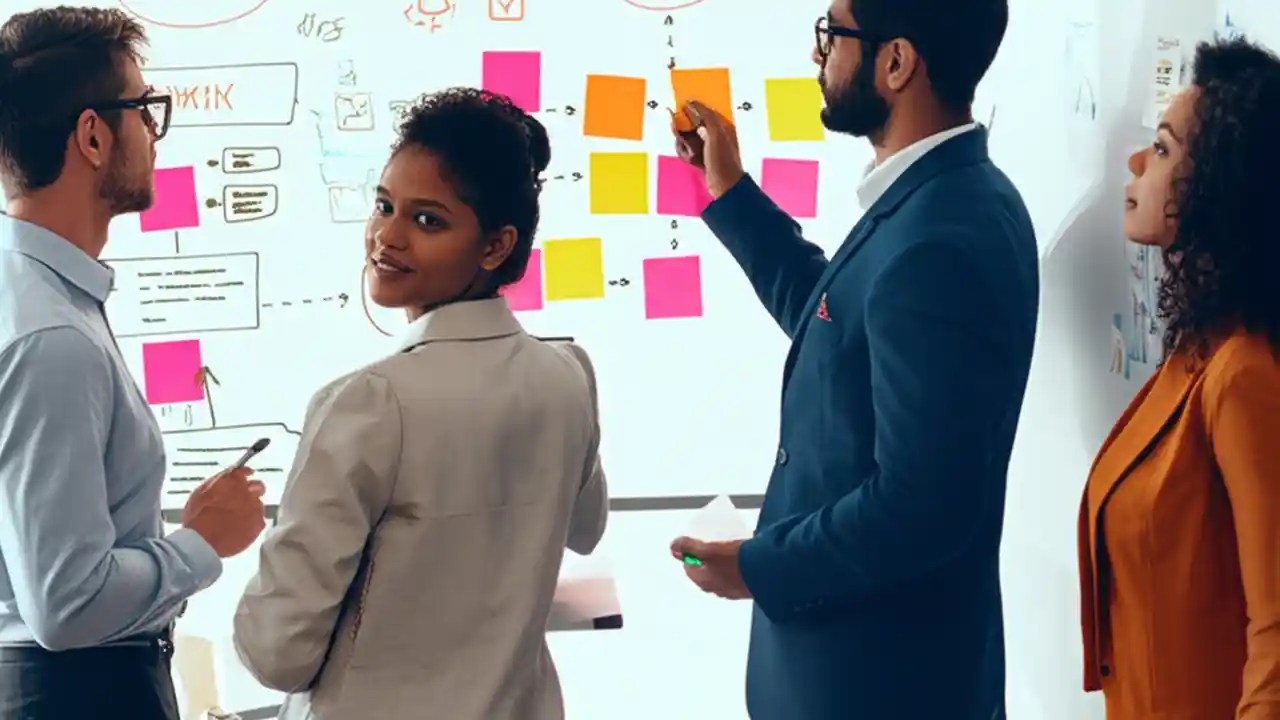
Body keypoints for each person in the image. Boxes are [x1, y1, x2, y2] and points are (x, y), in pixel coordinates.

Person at [668, 0, 1038, 717]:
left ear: (896, 62)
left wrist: (756, 567)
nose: (818, 56)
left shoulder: (940, 236)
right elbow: (836, 325)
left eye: (831, 34)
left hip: (879, 682)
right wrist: (733, 194)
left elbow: (920, 506)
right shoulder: (941, 200)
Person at [232, 87, 609, 720]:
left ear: (496, 246)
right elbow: (587, 529)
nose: (388, 237)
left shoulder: (369, 403)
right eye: (384, 205)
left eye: (427, 220)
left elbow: (277, 653)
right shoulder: (567, 374)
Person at [0, 7, 267, 720]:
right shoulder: (50, 335)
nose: (154, 134)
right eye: (145, 111)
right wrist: (201, 543)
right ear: (92, 135)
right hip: (79, 693)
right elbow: (64, 602)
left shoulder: (46, 301)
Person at [1078, 36, 1280, 720]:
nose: (1135, 162)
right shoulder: (1196, 351)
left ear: (1220, 188)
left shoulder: (1242, 374)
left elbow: (1277, 635)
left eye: (1162, 149)